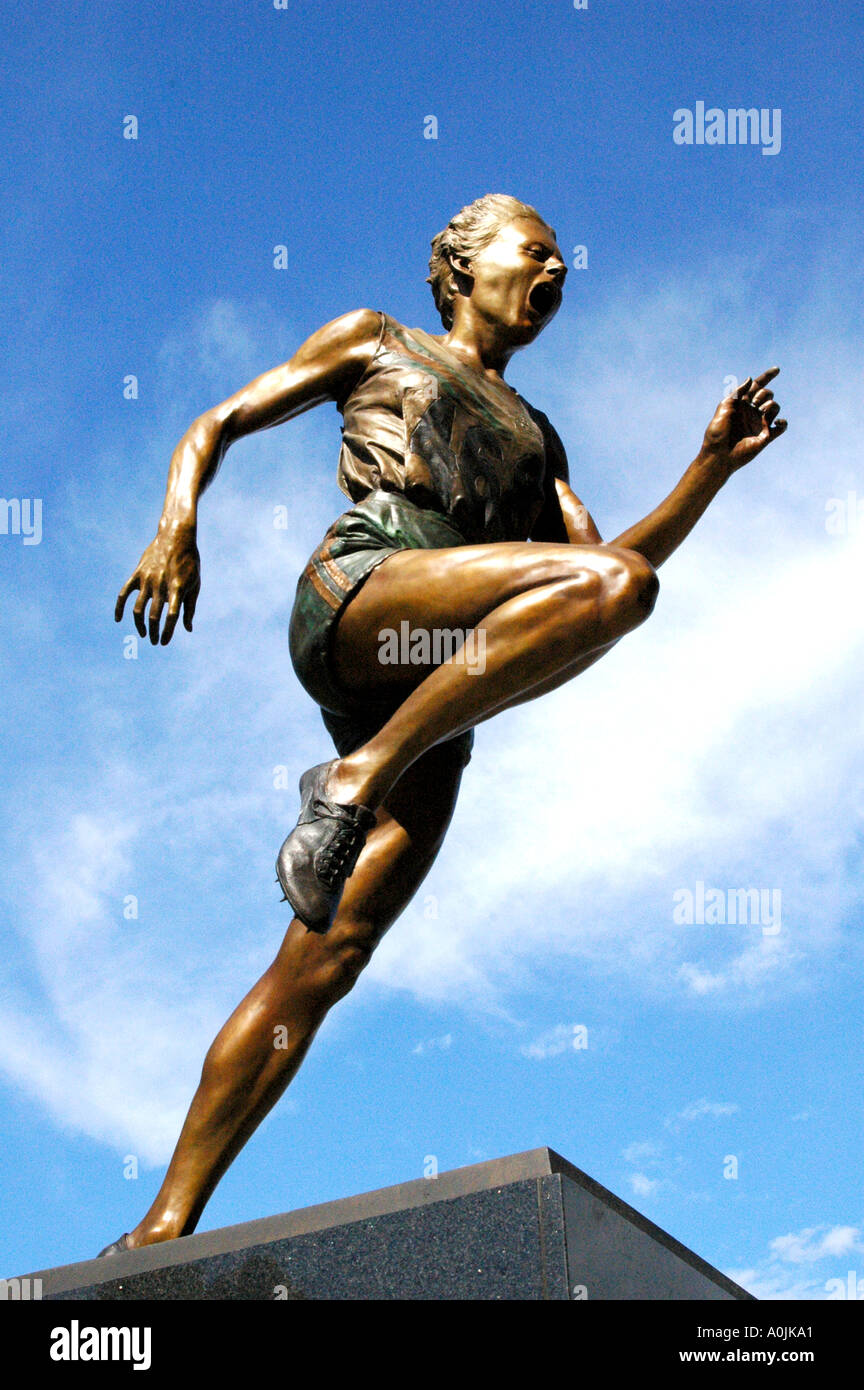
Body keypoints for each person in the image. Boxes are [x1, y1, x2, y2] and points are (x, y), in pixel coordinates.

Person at [107, 194, 786, 1252]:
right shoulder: (377, 338)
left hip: (435, 702)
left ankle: (161, 1227)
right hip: (366, 590)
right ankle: (356, 775)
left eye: (564, 264)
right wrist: (176, 526)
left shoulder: (539, 437)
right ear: (465, 263)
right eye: (537, 252)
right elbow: (218, 422)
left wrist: (708, 470)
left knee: (323, 962)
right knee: (613, 588)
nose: (557, 271)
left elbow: (613, 573)